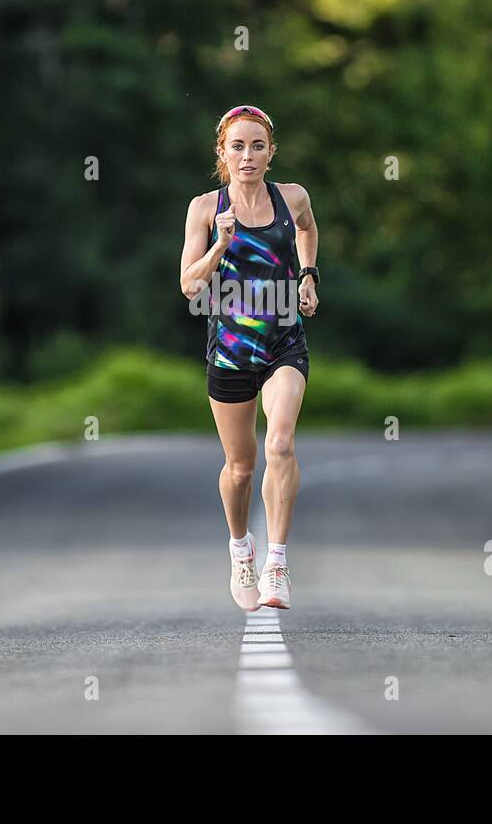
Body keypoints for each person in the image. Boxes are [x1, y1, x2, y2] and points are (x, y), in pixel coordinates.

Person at [178, 105, 320, 610]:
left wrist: (308, 275)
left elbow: (307, 228)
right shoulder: (204, 207)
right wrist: (220, 244)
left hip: (284, 339)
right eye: (237, 147)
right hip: (233, 350)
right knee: (240, 468)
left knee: (280, 444)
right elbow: (189, 284)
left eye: (257, 146)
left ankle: (277, 564)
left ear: (271, 152)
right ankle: (241, 549)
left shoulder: (292, 197)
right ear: (222, 153)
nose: (247, 156)